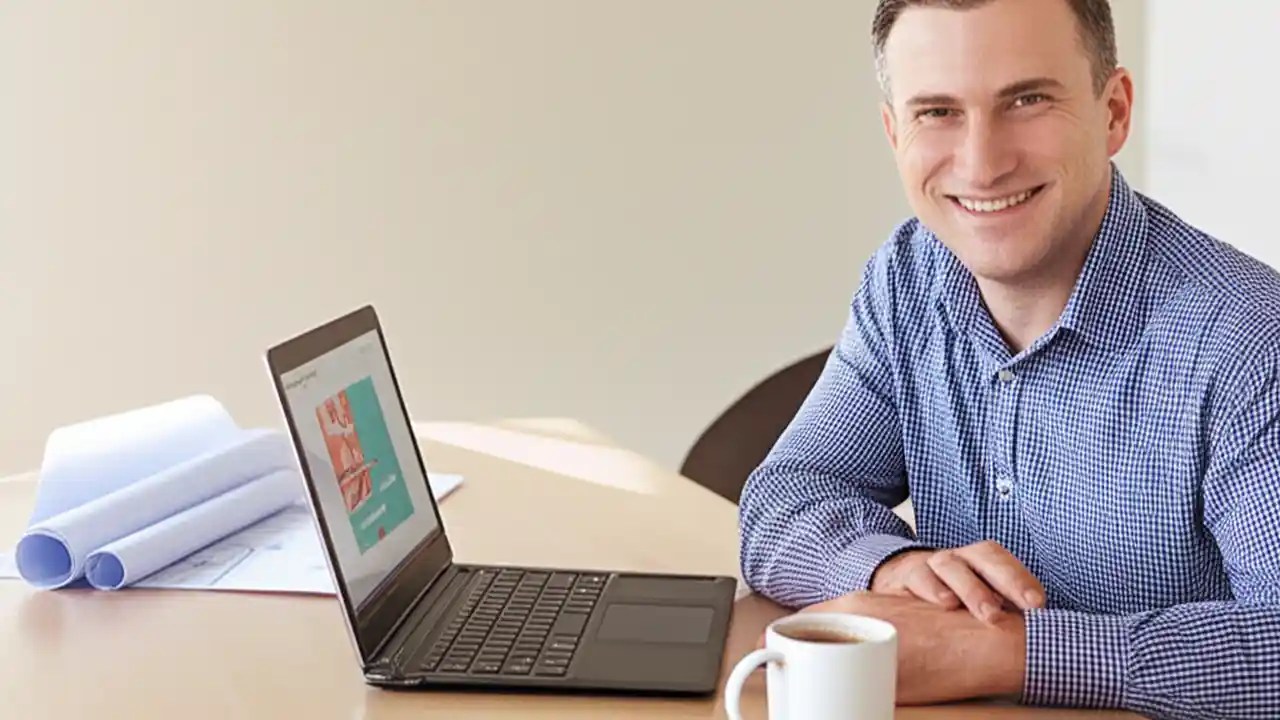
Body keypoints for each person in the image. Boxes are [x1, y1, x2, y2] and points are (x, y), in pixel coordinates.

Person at [737, 0, 1280, 717]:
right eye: (937, 112)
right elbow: (782, 501)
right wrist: (898, 571)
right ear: (895, 131)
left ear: (1114, 111)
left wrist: (1003, 649)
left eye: (1026, 100)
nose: (982, 163)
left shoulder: (1248, 336)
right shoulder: (907, 277)